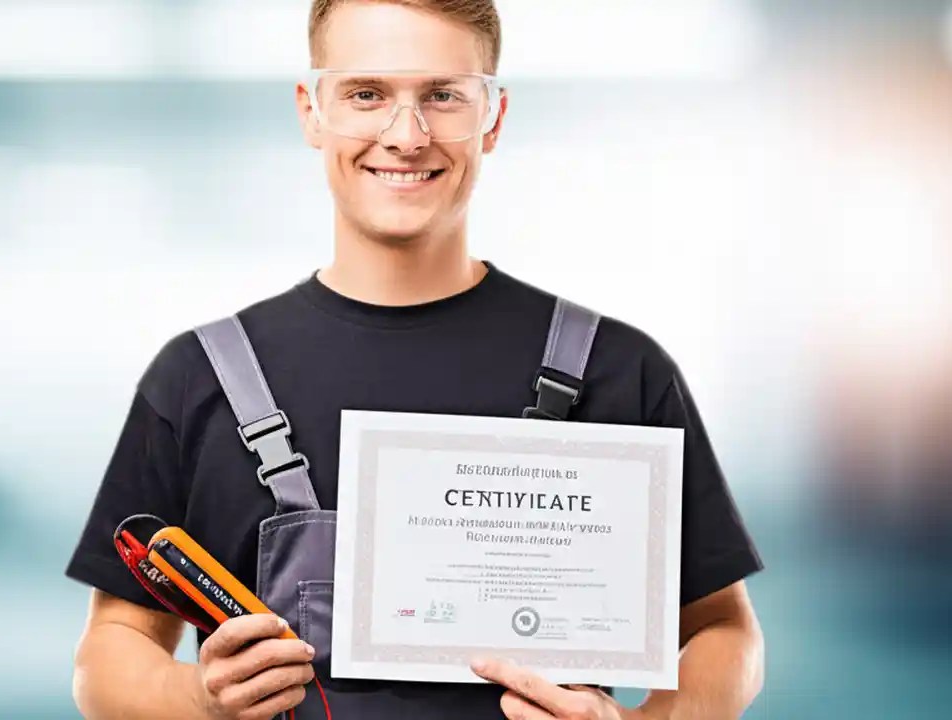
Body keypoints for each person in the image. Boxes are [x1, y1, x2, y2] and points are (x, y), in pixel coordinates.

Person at [64, 1, 766, 718]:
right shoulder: (199, 377)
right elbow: (109, 651)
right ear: (312, 110)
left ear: (492, 116)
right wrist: (200, 698)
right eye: (367, 94)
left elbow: (723, 631)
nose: (407, 136)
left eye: (443, 96)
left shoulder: (620, 371)